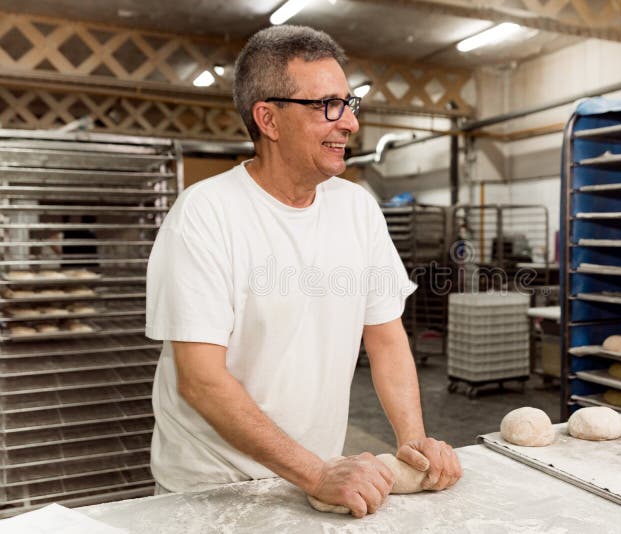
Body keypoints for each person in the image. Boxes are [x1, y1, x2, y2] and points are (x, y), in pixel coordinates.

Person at [145, 25, 461, 518]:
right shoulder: (206, 215)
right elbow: (201, 381)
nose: (350, 124)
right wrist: (316, 473)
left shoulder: (357, 208)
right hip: (212, 488)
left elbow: (386, 338)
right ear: (268, 119)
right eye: (327, 106)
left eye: (349, 103)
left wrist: (414, 442)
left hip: (315, 482)